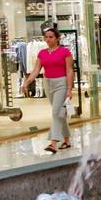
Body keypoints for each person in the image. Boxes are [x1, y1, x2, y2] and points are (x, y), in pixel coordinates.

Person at [21, 25, 73, 153]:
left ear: (57, 38)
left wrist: (69, 89)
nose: (48, 39)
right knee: (59, 113)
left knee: (56, 112)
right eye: (46, 37)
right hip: (48, 83)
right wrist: (26, 82)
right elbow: (36, 70)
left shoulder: (65, 52)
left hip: (62, 82)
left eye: (51, 37)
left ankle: (53, 143)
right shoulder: (42, 53)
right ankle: (66, 140)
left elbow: (70, 70)